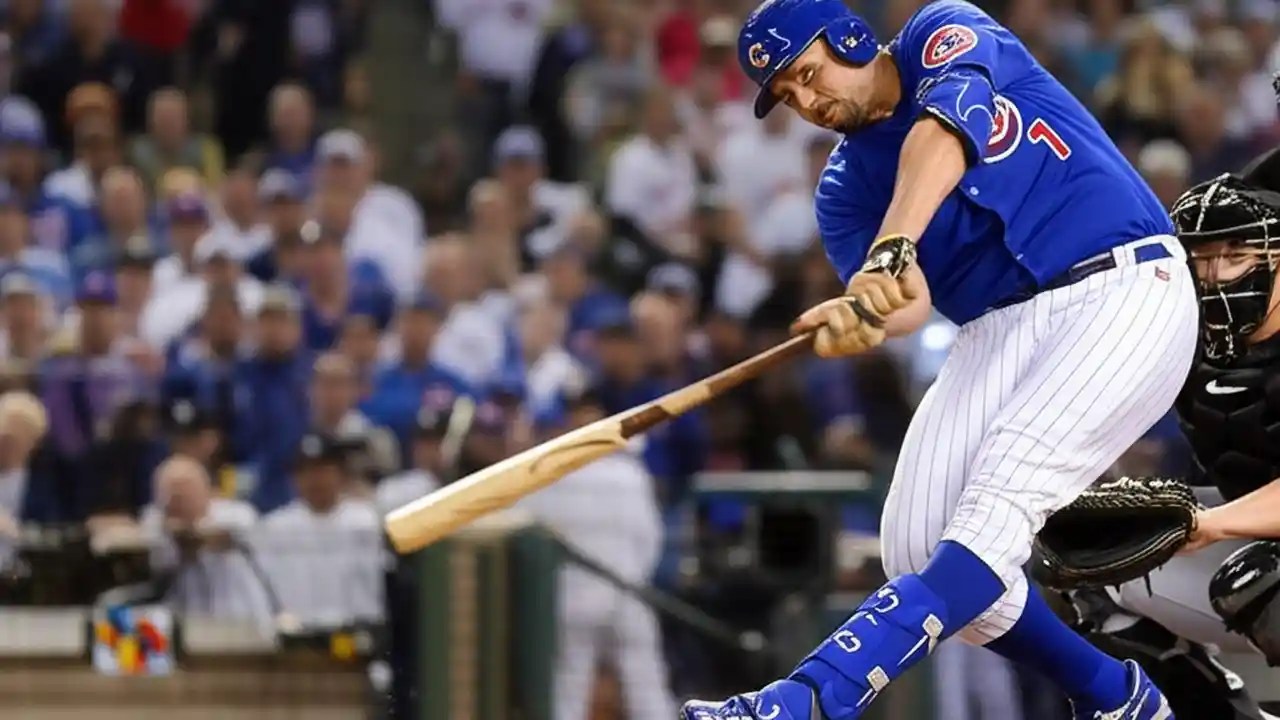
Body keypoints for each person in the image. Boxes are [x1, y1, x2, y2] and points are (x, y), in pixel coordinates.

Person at [683, 1, 1197, 718]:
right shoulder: (841, 190)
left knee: (989, 519)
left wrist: (889, 248)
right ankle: (1120, 696)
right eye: (788, 96)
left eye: (807, 73)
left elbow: (946, 126)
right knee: (917, 549)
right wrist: (861, 315)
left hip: (1123, 285)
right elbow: (910, 301)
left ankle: (808, 698)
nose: (806, 101)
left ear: (851, 37)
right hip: (995, 329)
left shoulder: (937, 33)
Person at [1060, 149, 1280, 720]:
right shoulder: (1184, 334)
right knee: (1090, 553)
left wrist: (1210, 524)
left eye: (1234, 255)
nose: (1213, 274)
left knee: (1261, 582)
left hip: (1256, 560)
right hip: (1247, 538)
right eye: (1202, 257)